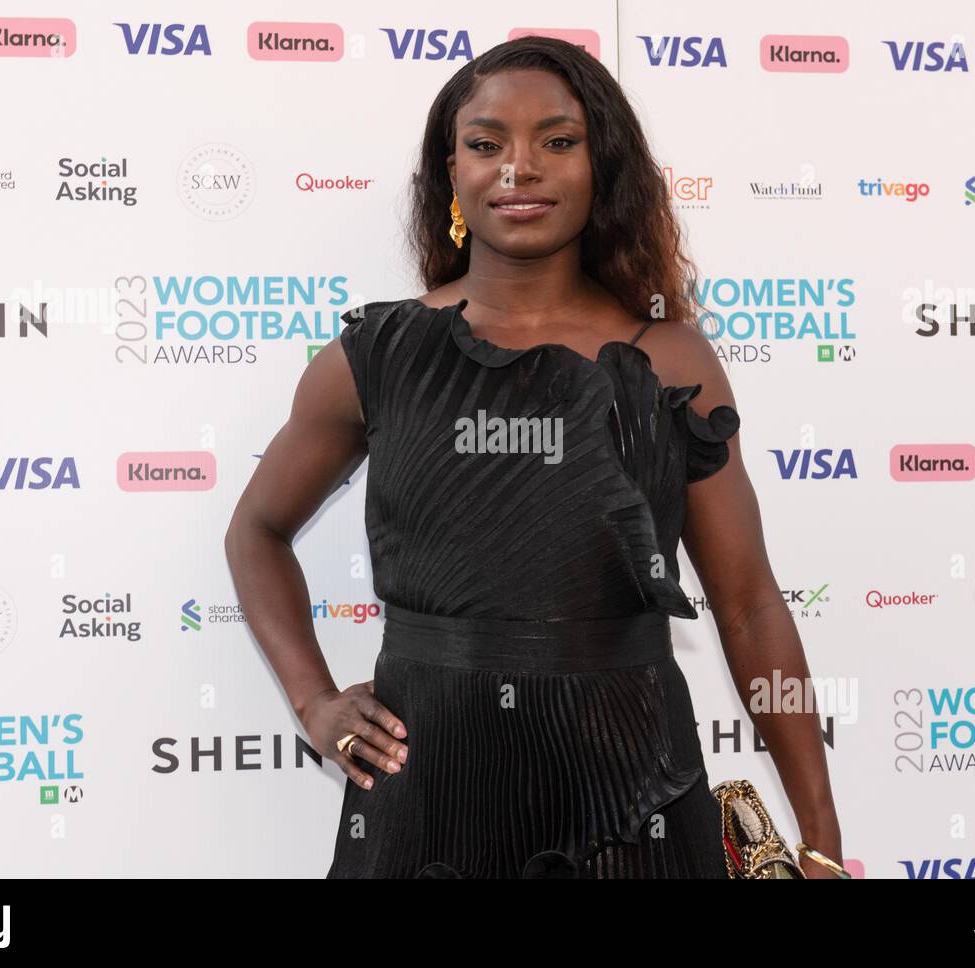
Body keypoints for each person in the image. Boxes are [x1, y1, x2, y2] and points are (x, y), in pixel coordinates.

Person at [224, 35, 843, 878]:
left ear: (602, 168)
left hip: (636, 798)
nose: (519, 168)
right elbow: (255, 530)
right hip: (427, 793)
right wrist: (313, 699)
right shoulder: (376, 356)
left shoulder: (671, 358)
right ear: (451, 173)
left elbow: (749, 606)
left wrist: (822, 843)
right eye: (486, 144)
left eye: (557, 141)